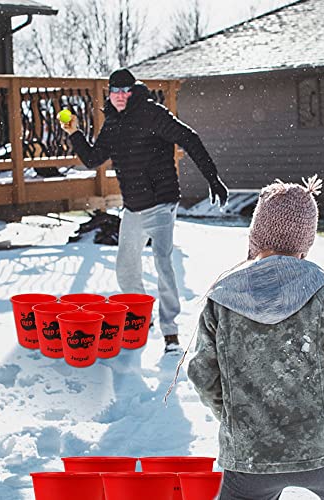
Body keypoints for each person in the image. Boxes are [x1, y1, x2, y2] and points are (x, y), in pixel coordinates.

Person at [188, 176, 324, 499]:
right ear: (305, 241)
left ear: (257, 235)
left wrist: (237, 415)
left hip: (249, 458)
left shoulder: (222, 295)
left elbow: (203, 374)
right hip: (321, 448)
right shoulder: (323, 287)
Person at [59, 68, 228, 354]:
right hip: (134, 208)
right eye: (115, 92)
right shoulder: (112, 124)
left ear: (133, 90)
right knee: (125, 268)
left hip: (161, 204)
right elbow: (92, 159)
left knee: (162, 263)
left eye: (125, 91)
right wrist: (74, 132)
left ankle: (170, 331)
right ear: (109, 95)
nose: (120, 97)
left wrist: (212, 177)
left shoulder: (152, 113)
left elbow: (189, 138)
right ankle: (140, 317)